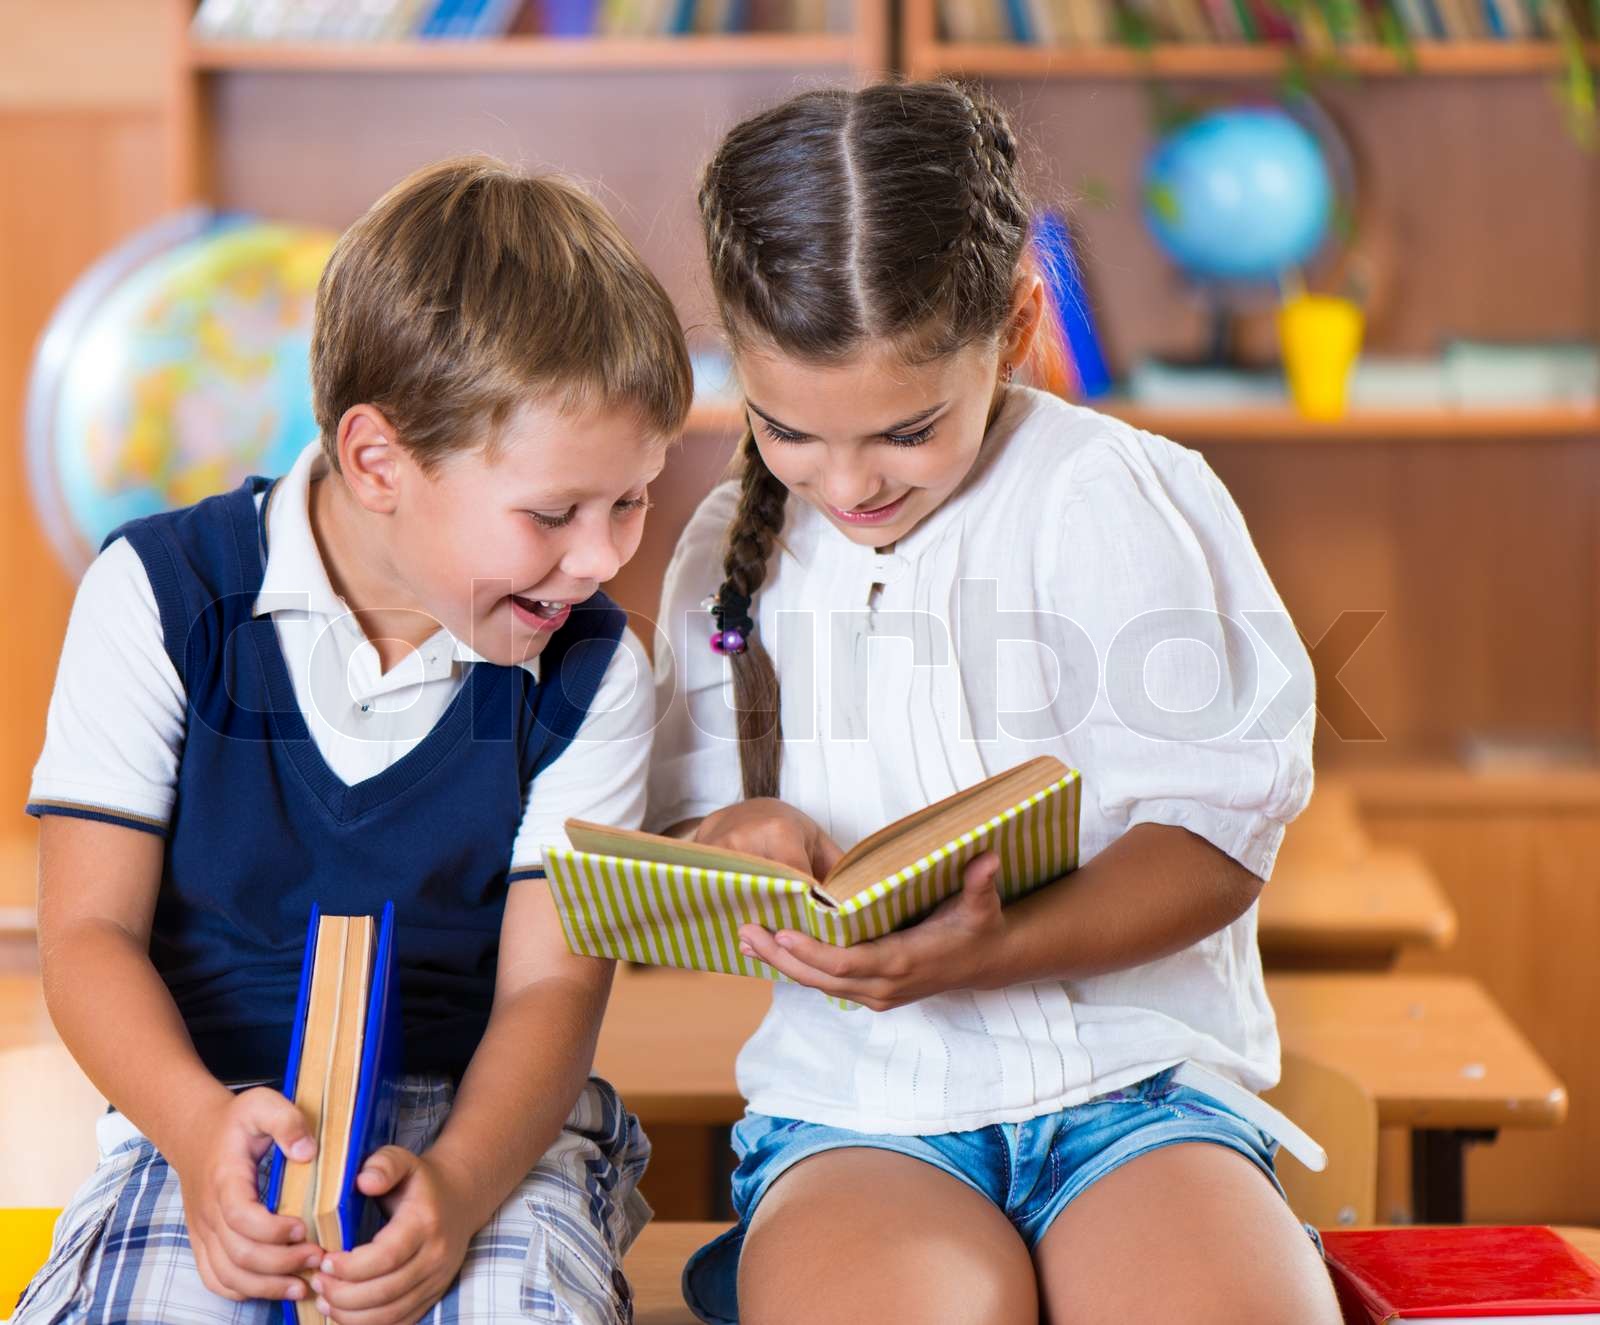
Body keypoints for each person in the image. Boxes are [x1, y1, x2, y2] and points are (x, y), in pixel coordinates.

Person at [649, 83, 1340, 1325]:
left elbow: (1214, 842)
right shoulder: (722, 550)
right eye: (786, 431)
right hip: (860, 1111)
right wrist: (733, 841)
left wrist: (995, 947)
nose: (846, 484)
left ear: (1017, 325)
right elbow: (686, 839)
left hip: (1138, 1091)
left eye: (906, 430)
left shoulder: (1105, 496)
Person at [19, 155, 690, 1325]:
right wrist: (196, 1127)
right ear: (379, 460)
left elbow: (549, 988)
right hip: (204, 1108)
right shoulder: (160, 594)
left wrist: (461, 1185)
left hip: (488, 1128)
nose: (600, 559)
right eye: (552, 513)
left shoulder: (593, 669)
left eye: (629, 500)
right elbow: (86, 934)